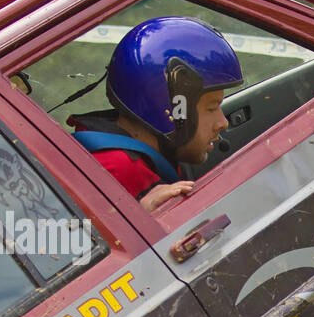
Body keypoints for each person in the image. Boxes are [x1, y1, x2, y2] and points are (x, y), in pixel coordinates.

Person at [69, 16, 242, 211]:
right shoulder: (116, 170)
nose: (223, 122)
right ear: (171, 108)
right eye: (211, 108)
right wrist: (141, 216)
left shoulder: (157, 151)